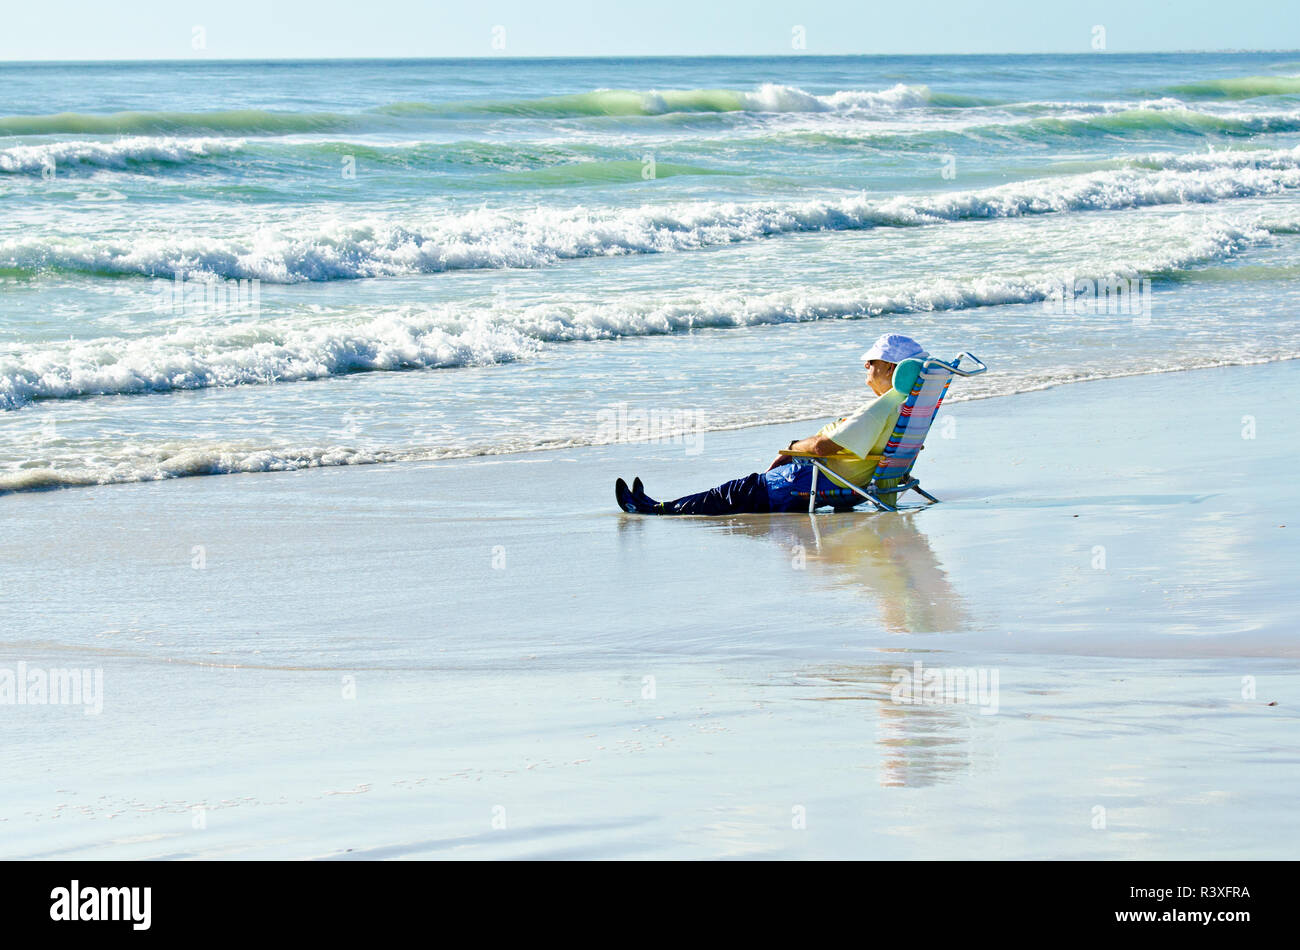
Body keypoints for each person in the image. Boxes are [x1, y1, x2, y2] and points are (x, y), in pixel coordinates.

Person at [616, 333, 928, 515]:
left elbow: (821, 447)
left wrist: (793, 448)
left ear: (890, 368)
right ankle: (656, 505)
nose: (866, 365)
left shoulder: (880, 408)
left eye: (872, 362)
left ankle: (654, 509)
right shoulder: (906, 406)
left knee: (730, 494)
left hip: (809, 483)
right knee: (735, 492)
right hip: (840, 480)